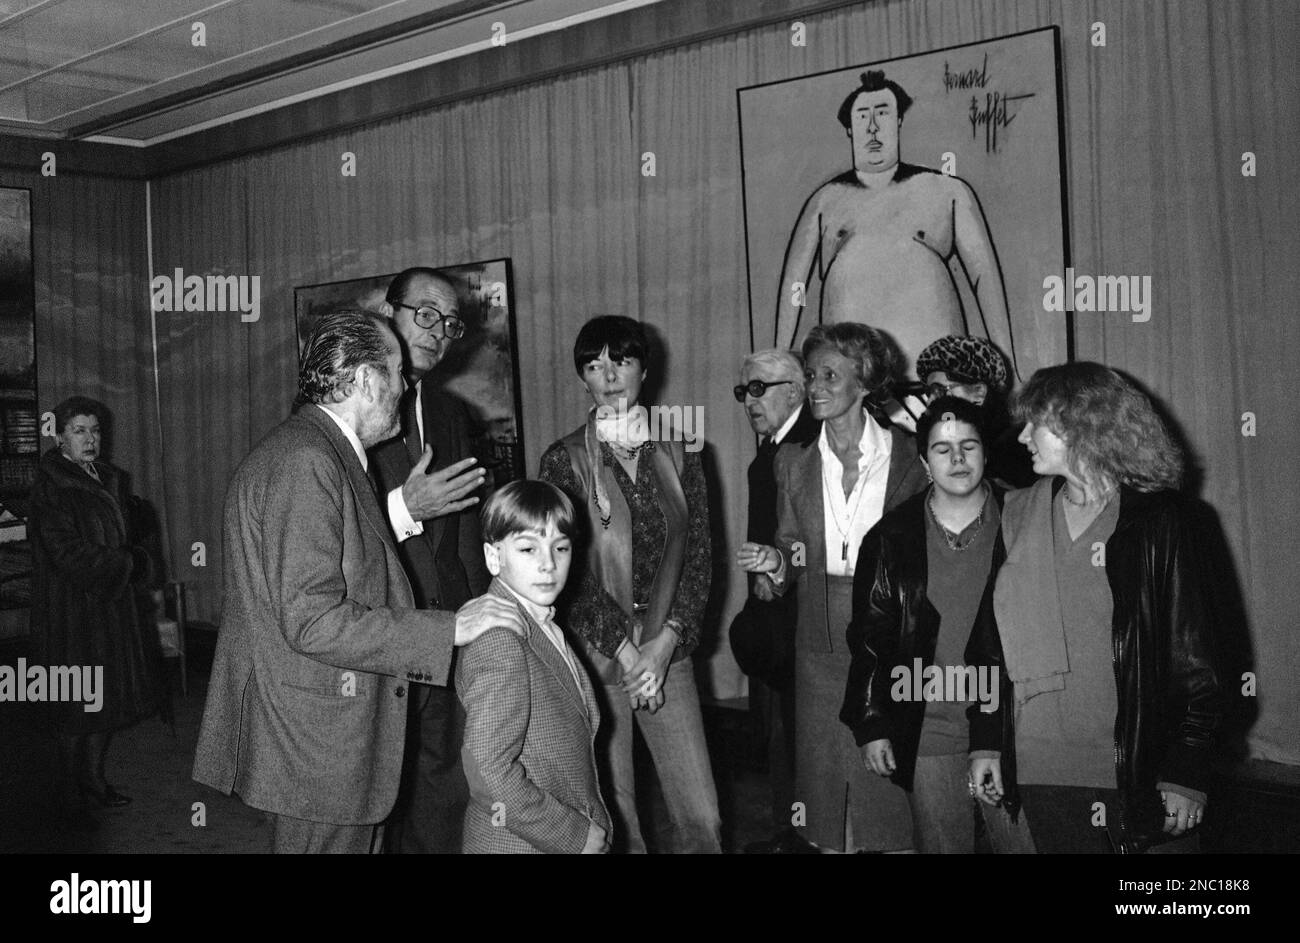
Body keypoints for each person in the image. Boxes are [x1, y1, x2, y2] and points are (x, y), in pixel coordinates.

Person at [192, 308, 522, 854]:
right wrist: (448, 630)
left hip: (323, 741)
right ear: (367, 381)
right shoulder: (306, 461)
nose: (403, 386)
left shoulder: (318, 452)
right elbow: (312, 621)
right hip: (317, 751)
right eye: (396, 373)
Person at [972, 362, 1221, 853]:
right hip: (1036, 763)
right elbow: (990, 645)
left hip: (1133, 769)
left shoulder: (1160, 520)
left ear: (1081, 425)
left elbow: (1200, 660)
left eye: (1035, 423)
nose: (1023, 437)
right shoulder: (1019, 513)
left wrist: (1187, 767)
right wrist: (985, 737)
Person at [738, 322, 927, 852]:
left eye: (830, 375)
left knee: (888, 802)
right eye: (812, 374)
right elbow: (793, 548)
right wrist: (777, 562)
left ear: (865, 382)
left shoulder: (911, 457)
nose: (816, 386)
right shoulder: (793, 463)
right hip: (817, 649)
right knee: (825, 808)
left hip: (889, 641)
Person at [539, 315, 721, 853]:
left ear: (645, 367)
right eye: (594, 366)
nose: (609, 375)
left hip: (667, 643)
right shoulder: (564, 459)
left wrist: (664, 645)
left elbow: (701, 557)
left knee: (702, 817)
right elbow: (559, 571)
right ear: (584, 380)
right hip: (596, 650)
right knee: (614, 821)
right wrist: (624, 647)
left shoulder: (683, 450)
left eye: (620, 360)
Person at [839, 396, 1030, 852]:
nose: (959, 459)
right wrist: (871, 723)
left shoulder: (1025, 521)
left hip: (1014, 725)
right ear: (924, 461)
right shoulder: (890, 537)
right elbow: (870, 637)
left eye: (969, 445)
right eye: (943, 450)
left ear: (986, 452)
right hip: (930, 728)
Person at [774, 70, 1015, 378]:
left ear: (899, 120)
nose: (873, 127)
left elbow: (985, 278)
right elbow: (793, 288)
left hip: (934, 377)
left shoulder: (947, 191)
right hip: (853, 384)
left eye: (883, 114)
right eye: (862, 116)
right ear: (849, 128)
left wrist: (1006, 365)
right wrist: (779, 372)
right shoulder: (824, 201)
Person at [371, 266, 493, 854]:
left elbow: (467, 524)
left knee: (444, 778)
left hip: (444, 625)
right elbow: (328, 527)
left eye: (448, 322)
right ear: (385, 311)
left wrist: (478, 616)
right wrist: (400, 507)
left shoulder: (449, 411)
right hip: (377, 629)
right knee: (381, 786)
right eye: (424, 314)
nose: (438, 331)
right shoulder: (343, 401)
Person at [457, 480, 612, 853]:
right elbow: (487, 770)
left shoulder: (540, 622)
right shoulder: (501, 638)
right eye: (528, 548)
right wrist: (573, 836)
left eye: (560, 547)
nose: (548, 563)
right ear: (494, 558)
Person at [30, 397, 159, 825]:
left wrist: (139, 551)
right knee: (75, 708)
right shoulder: (50, 485)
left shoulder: (109, 479)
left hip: (111, 608)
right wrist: (128, 564)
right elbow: (66, 552)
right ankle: (67, 790)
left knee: (109, 701)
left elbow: (131, 534)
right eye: (80, 430)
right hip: (71, 612)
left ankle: (93, 780)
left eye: (96, 430)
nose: (91, 439)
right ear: (60, 436)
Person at [728, 349, 820, 853]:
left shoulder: (809, 447)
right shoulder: (770, 449)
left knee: (802, 739)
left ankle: (804, 836)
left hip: (804, 625)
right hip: (778, 627)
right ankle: (794, 834)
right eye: (745, 391)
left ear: (795, 390)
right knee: (784, 737)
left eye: (760, 389)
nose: (749, 401)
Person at [915, 334, 1035, 488]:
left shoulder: (1013, 451)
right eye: (929, 392)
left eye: (939, 390)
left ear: (979, 392)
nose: (930, 401)